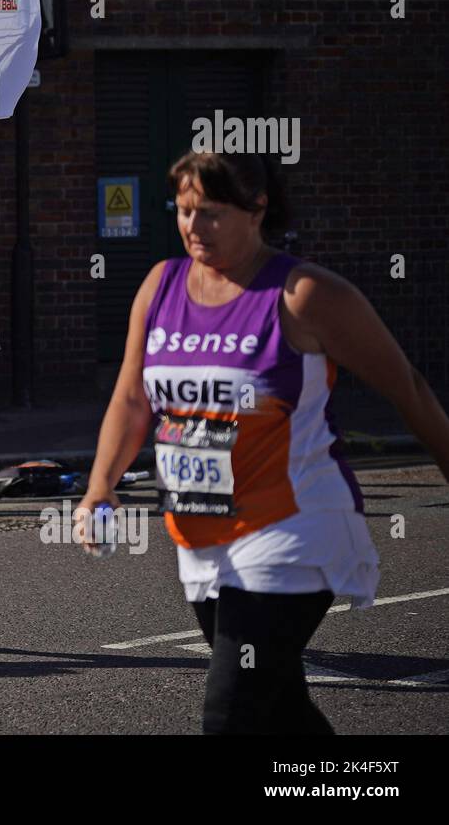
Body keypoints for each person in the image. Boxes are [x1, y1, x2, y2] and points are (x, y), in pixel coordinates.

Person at [77, 150, 449, 734]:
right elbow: (131, 399)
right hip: (202, 531)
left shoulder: (305, 294)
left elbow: (410, 389)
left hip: (296, 524)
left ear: (257, 210)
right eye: (183, 211)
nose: (193, 228)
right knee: (279, 707)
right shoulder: (161, 285)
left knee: (230, 715)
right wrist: (99, 487)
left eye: (212, 213)